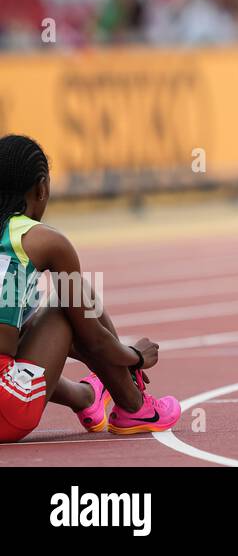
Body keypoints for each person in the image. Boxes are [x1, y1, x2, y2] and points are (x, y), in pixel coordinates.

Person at [0, 134, 181, 442]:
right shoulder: (44, 241)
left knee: (27, 321)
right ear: (41, 188)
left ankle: (87, 397)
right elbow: (93, 339)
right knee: (72, 301)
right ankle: (135, 407)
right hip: (7, 412)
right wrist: (134, 356)